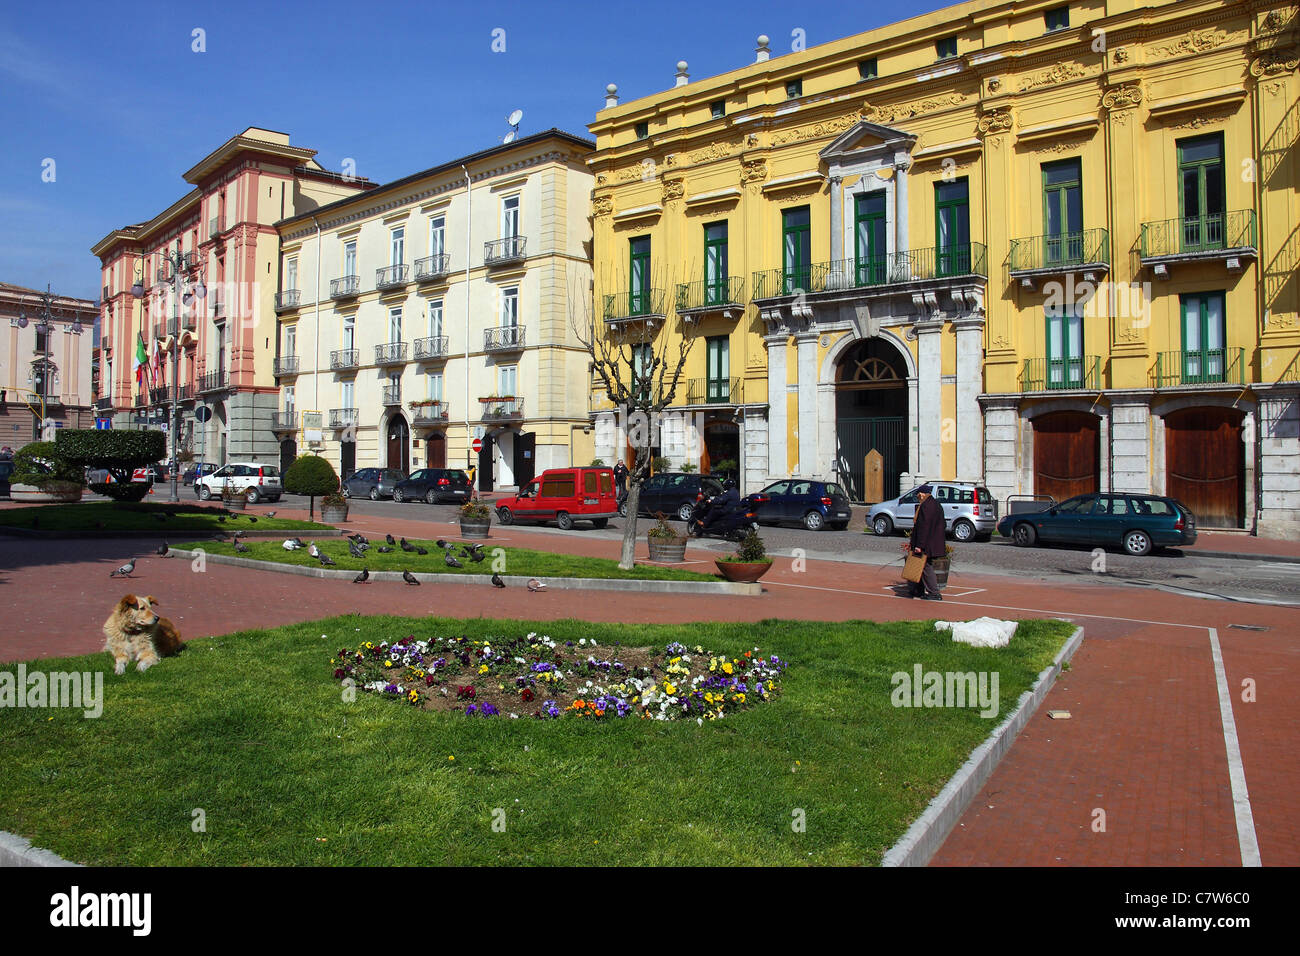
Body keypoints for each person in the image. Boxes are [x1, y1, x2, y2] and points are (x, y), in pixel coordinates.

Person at [902, 484, 945, 601]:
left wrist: (919, 546)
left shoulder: (926, 506)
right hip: (933, 541)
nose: (917, 497)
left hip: (927, 543)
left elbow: (923, 527)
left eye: (918, 495)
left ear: (921, 494)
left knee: (925, 566)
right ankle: (918, 589)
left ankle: (934, 592)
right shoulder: (935, 504)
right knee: (924, 565)